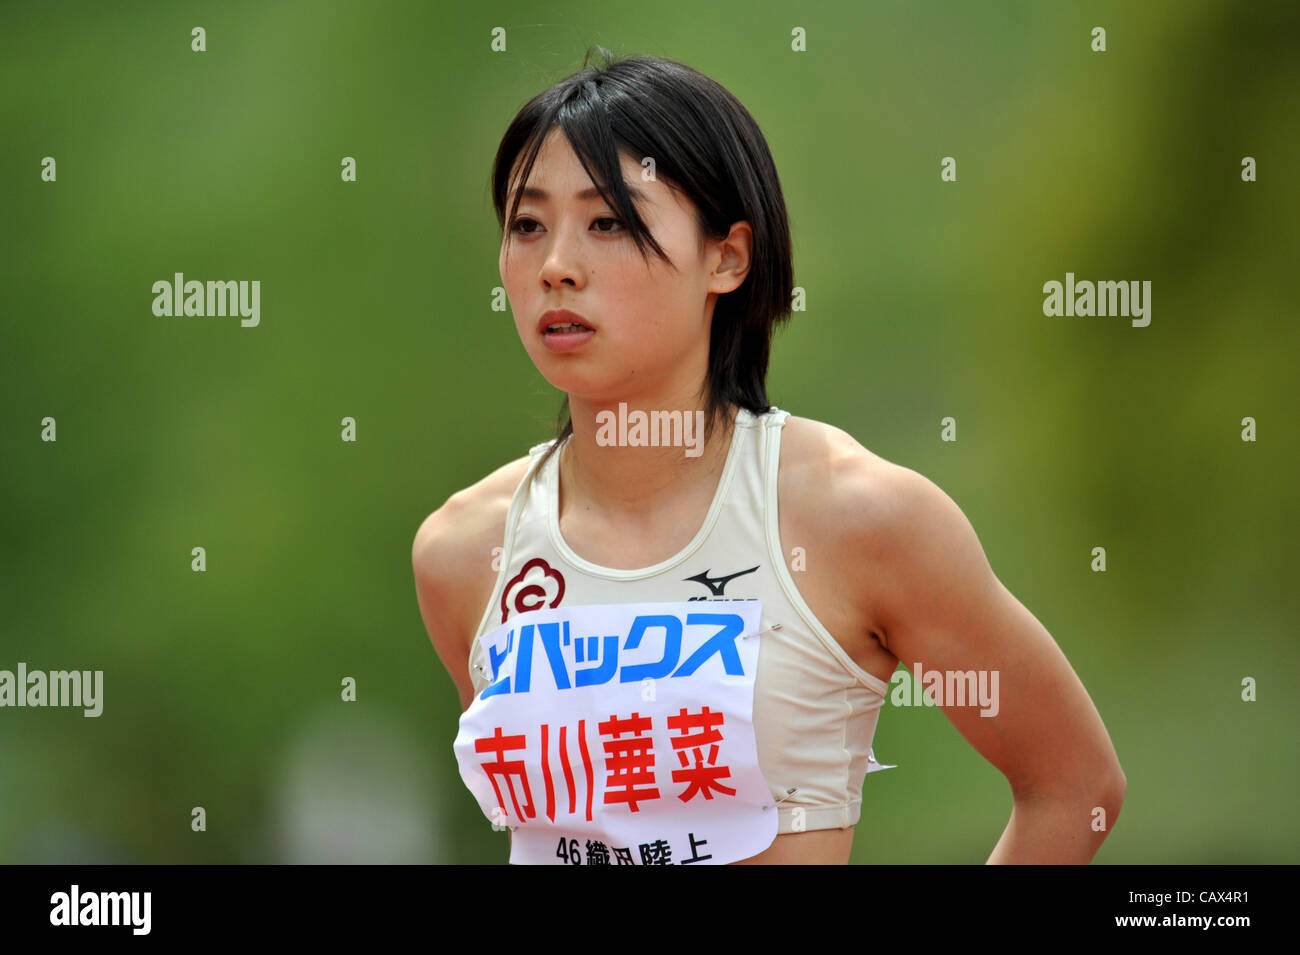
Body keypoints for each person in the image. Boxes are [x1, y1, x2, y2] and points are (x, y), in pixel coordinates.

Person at [412, 48, 1125, 865]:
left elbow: (1075, 788)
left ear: (728, 256)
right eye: (527, 225)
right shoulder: (464, 552)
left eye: (609, 221)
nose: (555, 267)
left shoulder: (857, 515)